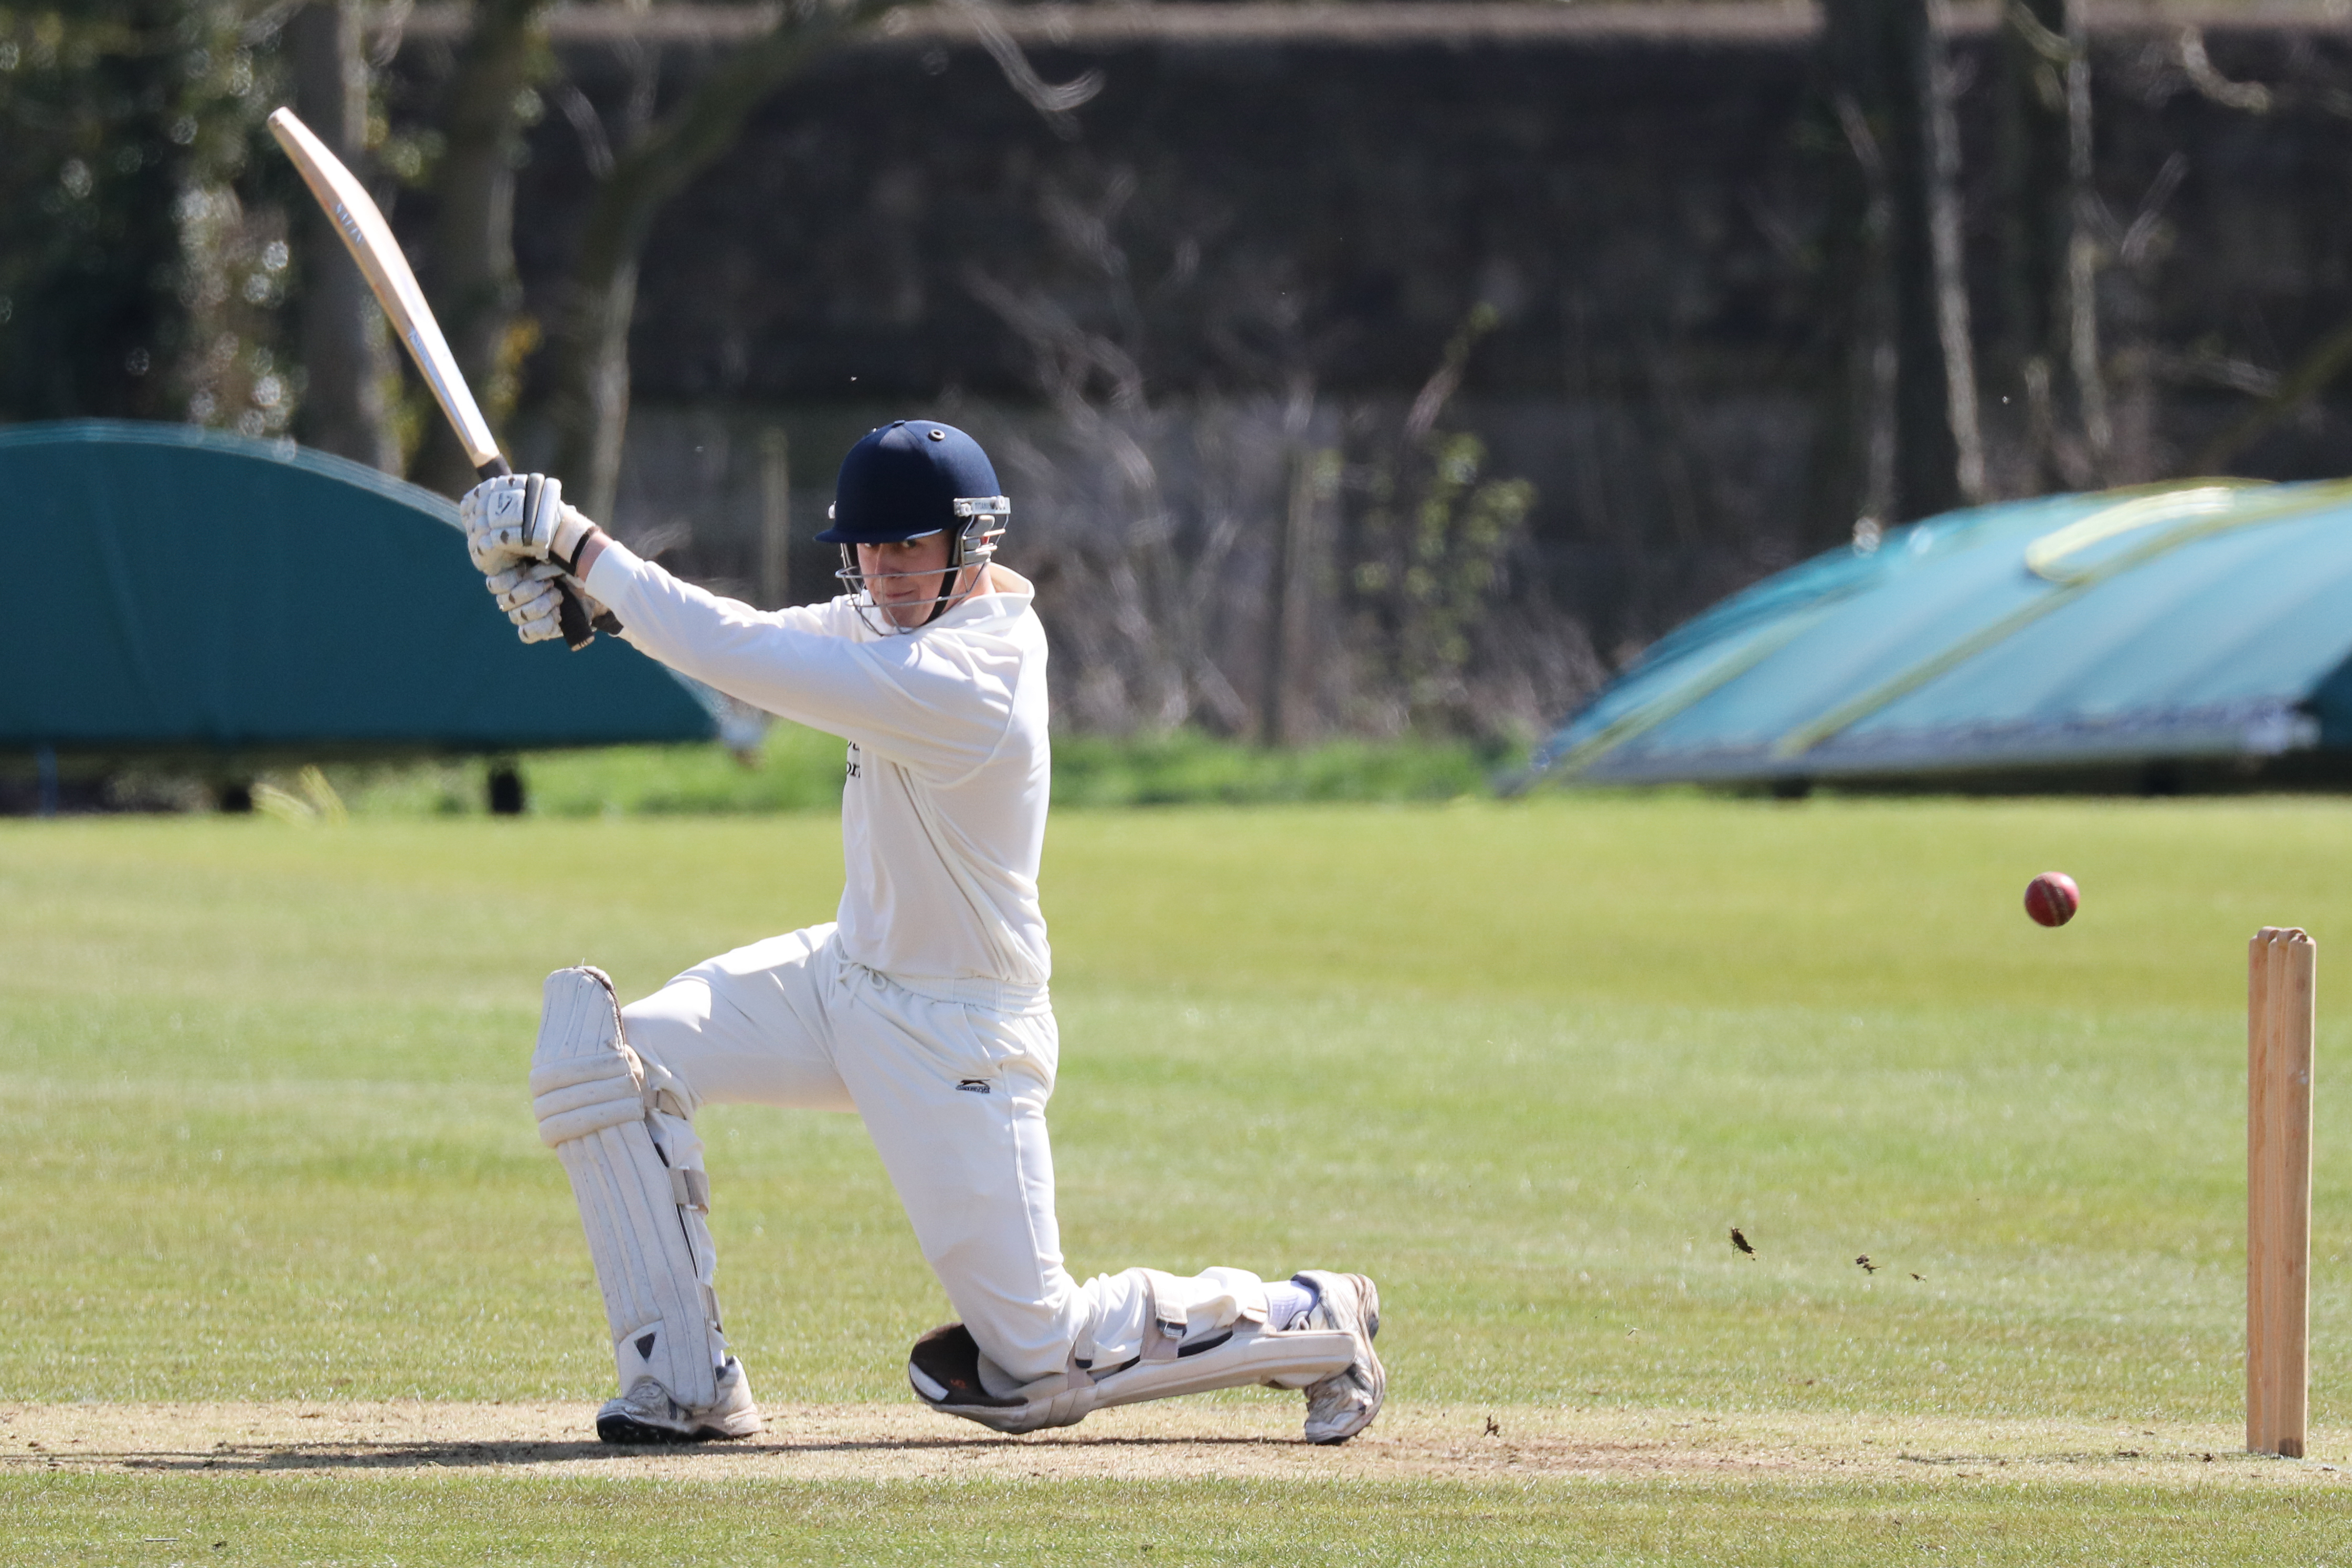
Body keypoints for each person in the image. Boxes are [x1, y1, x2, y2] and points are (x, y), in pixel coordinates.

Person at [459, 420, 1385, 1445]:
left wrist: (584, 548)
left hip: (957, 1037)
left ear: (971, 547)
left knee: (1037, 1356)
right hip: (843, 978)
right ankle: (686, 1386)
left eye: (909, 549)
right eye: (868, 551)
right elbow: (748, 630)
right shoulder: (886, 626)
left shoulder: (972, 679)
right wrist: (609, 609)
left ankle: (1309, 1317)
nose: (886, 574)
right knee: (602, 1059)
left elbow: (743, 657)